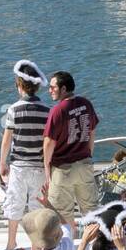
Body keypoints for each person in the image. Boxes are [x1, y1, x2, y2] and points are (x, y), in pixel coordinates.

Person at [0, 60, 50, 250]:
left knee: (15, 203)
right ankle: (35, 246)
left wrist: (2, 163)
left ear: (20, 85)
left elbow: (6, 140)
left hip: (19, 165)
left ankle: (11, 242)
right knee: (36, 206)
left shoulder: (13, 109)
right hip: (38, 166)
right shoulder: (47, 111)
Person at [43, 71, 99, 230]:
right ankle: (96, 249)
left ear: (64, 89)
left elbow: (48, 143)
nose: (50, 90)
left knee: (62, 216)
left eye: (53, 87)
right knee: (91, 212)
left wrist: (47, 169)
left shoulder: (57, 111)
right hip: (84, 165)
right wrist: (88, 154)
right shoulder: (86, 104)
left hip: (62, 169)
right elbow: (92, 131)